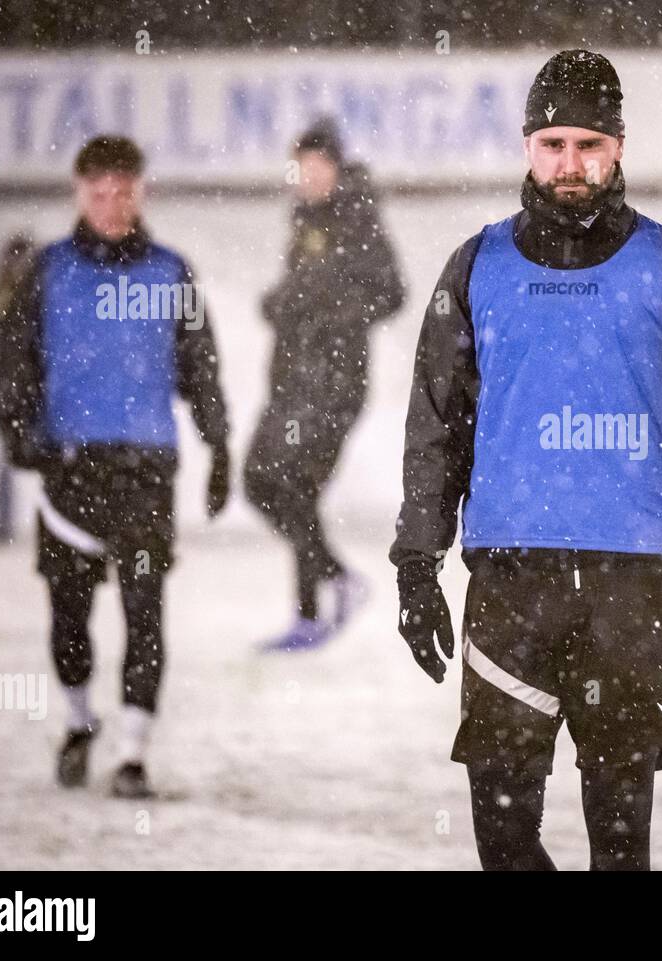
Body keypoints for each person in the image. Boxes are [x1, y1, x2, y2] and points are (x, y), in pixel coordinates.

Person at [391, 50, 662, 870]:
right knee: (505, 840)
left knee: (620, 846)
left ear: (618, 147)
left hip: (633, 592)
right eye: (553, 142)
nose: (571, 163)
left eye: (589, 143)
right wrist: (418, 565)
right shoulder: (476, 265)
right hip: (512, 587)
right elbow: (436, 428)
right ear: (527, 147)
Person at [0, 135, 231, 798]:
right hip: (69, 469)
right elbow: (16, 361)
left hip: (146, 469)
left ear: (140, 190)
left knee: (144, 612)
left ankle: (131, 753)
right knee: (69, 620)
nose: (111, 204)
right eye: (98, 192)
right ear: (79, 192)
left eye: (123, 190)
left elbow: (201, 366)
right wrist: (17, 431)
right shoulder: (47, 271)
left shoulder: (171, 272)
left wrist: (221, 445)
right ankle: (77, 721)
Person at [245, 118, 406, 652]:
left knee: (272, 479)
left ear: (335, 168)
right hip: (293, 381)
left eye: (316, 166)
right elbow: (303, 289)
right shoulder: (304, 218)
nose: (307, 177)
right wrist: (281, 301)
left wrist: (328, 310)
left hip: (332, 383)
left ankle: (335, 584)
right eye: (300, 167)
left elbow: (391, 292)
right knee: (281, 487)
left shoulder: (356, 217)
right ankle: (314, 610)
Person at [0, 232, 36, 544]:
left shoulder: (39, 291)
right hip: (9, 387)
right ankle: (4, 523)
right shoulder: (2, 295)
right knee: (5, 458)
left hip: (31, 386)